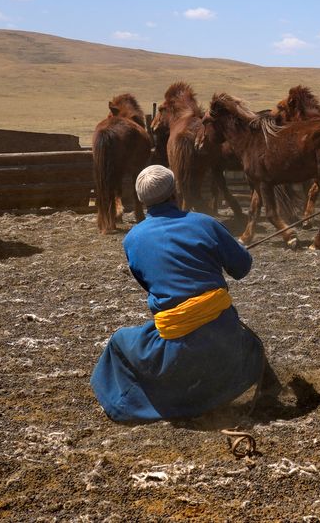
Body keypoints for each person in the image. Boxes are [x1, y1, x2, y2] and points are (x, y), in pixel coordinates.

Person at [90, 165, 276, 422]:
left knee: (120, 340)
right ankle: (266, 389)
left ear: (142, 201)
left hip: (175, 345)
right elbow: (242, 268)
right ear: (174, 193)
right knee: (253, 346)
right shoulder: (205, 223)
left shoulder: (132, 239)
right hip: (224, 335)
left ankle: (126, 404)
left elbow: (149, 284)